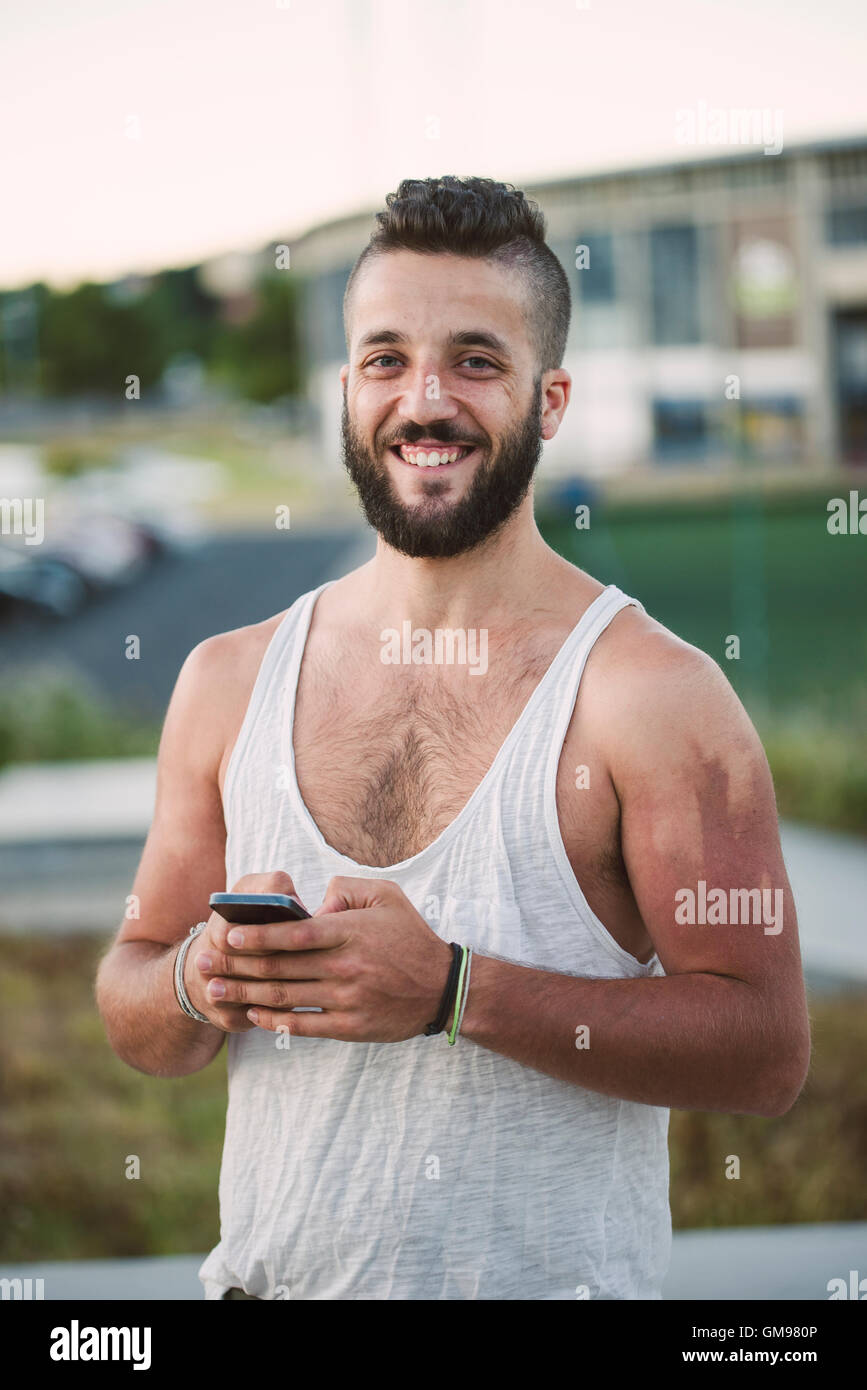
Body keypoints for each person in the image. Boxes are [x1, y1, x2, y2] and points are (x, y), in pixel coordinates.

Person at [96, 175, 810, 1301]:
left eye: (475, 360)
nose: (424, 401)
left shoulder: (654, 695)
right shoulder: (226, 681)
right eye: (386, 359)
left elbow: (766, 1049)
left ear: (552, 397)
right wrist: (201, 974)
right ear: (346, 388)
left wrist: (454, 992)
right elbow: (137, 1006)